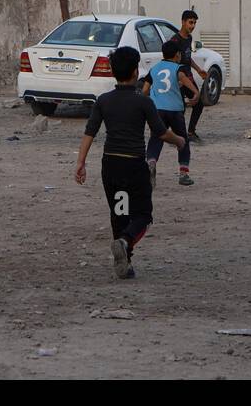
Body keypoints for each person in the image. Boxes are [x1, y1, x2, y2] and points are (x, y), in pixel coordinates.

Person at [74, 45, 185, 280]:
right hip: (134, 166)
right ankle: (125, 243)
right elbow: (162, 132)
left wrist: (81, 163)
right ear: (135, 71)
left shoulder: (103, 101)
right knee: (143, 215)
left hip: (111, 165)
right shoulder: (143, 102)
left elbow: (90, 133)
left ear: (114, 71)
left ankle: (125, 261)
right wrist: (179, 141)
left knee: (119, 213)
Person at [142, 39, 200, 188]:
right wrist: (195, 93)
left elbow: (145, 90)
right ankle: (184, 173)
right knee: (182, 139)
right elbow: (183, 80)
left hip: (158, 111)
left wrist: (148, 101)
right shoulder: (178, 68)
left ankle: (151, 162)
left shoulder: (154, 69)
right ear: (177, 55)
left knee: (156, 138)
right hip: (175, 110)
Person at [167, 9, 213, 139]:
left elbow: (188, 58)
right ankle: (177, 135)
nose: (192, 26)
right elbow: (171, 61)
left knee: (198, 103)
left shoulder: (189, 38)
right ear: (183, 22)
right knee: (179, 108)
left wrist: (198, 69)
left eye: (194, 23)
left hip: (189, 77)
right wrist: (178, 79)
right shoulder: (175, 41)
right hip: (179, 79)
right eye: (190, 22)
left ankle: (191, 131)